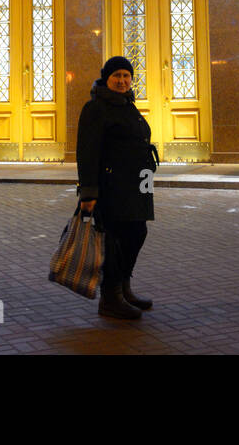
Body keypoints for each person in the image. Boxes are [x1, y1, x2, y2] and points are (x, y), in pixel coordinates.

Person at [77, 55, 159, 320]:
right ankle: (110, 298)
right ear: (106, 78)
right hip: (112, 186)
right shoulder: (96, 108)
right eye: (117, 76)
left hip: (136, 184)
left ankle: (124, 288)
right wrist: (89, 192)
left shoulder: (127, 104)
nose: (123, 81)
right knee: (114, 240)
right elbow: (87, 152)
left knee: (136, 233)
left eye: (126, 76)